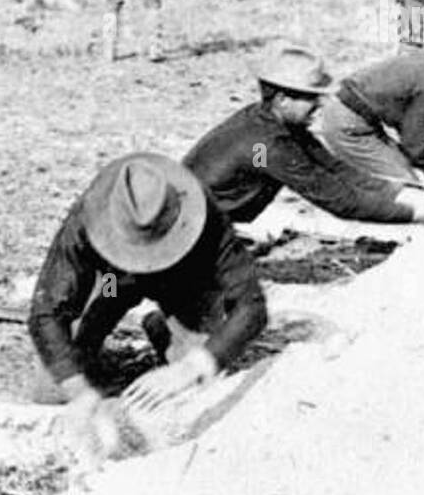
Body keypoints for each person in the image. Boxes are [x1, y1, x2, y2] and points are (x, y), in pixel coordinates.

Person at [28, 153, 266, 460]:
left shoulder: (204, 216)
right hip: (113, 282)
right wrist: (78, 390)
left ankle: (163, 327)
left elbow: (252, 304)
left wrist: (194, 366)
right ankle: (100, 341)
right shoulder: (88, 219)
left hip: (180, 285)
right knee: (51, 389)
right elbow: (46, 311)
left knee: (201, 388)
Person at [183, 45, 424, 237]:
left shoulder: (268, 125)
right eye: (310, 97)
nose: (319, 104)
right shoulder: (269, 145)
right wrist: (420, 214)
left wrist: (399, 192)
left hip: (202, 210)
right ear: (283, 99)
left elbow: (334, 168)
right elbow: (340, 202)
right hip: (188, 223)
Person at [319, 47, 424, 183]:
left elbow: (401, 115)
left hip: (349, 114)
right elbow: (413, 139)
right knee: (407, 182)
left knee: (403, 163)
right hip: (347, 126)